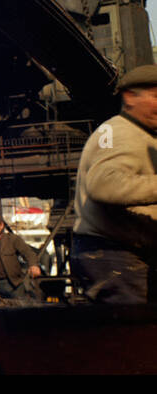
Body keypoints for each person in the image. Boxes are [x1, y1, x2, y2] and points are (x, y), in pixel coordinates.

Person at [71, 63, 157, 303]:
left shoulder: (141, 134)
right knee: (135, 336)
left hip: (121, 254)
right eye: (155, 97)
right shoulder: (117, 132)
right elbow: (104, 184)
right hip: (114, 255)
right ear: (130, 97)